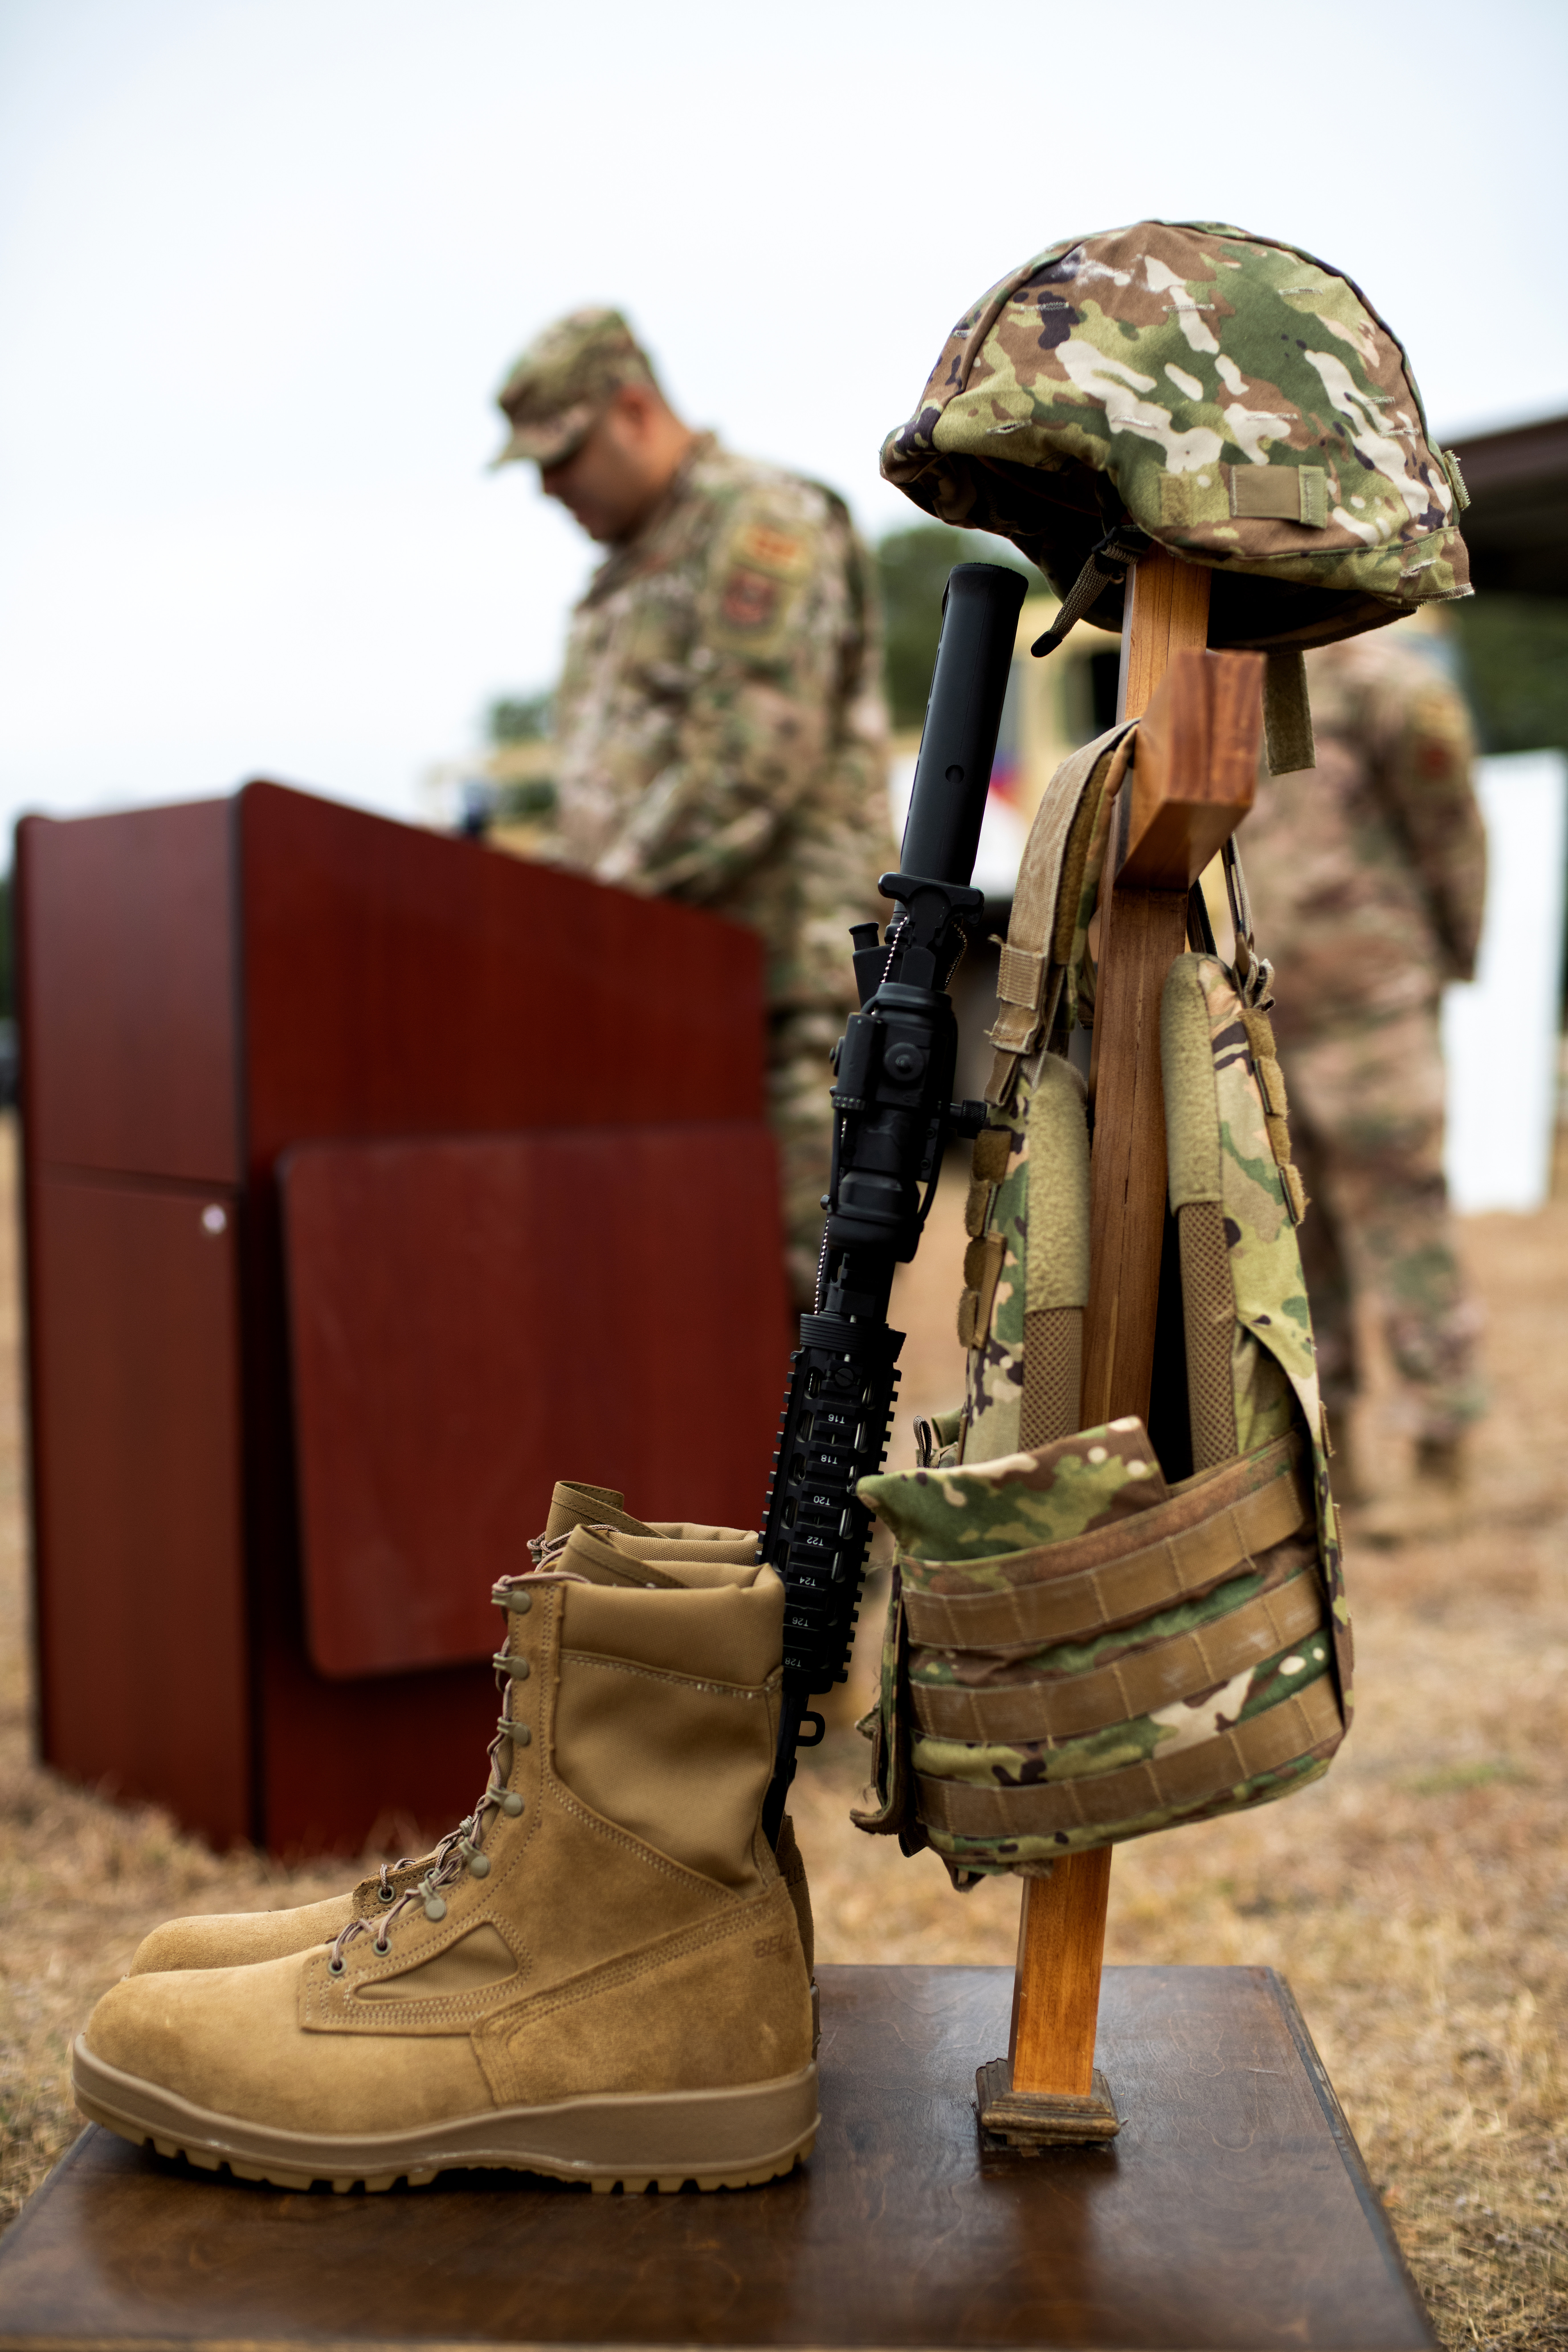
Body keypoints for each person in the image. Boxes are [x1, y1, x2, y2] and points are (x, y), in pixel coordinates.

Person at [489, 307, 892, 1306]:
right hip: (661, 993)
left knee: (807, 1321)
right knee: (682, 1318)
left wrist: (576, 917)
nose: (547, 487)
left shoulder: (761, 524)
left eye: (562, 455)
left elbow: (750, 766)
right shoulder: (622, 577)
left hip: (779, 1000)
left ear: (634, 411)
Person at [1239, 626, 1488, 1500]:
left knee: (1402, 1214)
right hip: (1256, 1007)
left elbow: (1451, 830)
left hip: (1370, 998)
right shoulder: (1200, 681)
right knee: (1289, 1236)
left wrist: (1453, 952)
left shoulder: (1384, 685)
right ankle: (1330, 1452)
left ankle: (1440, 1442)